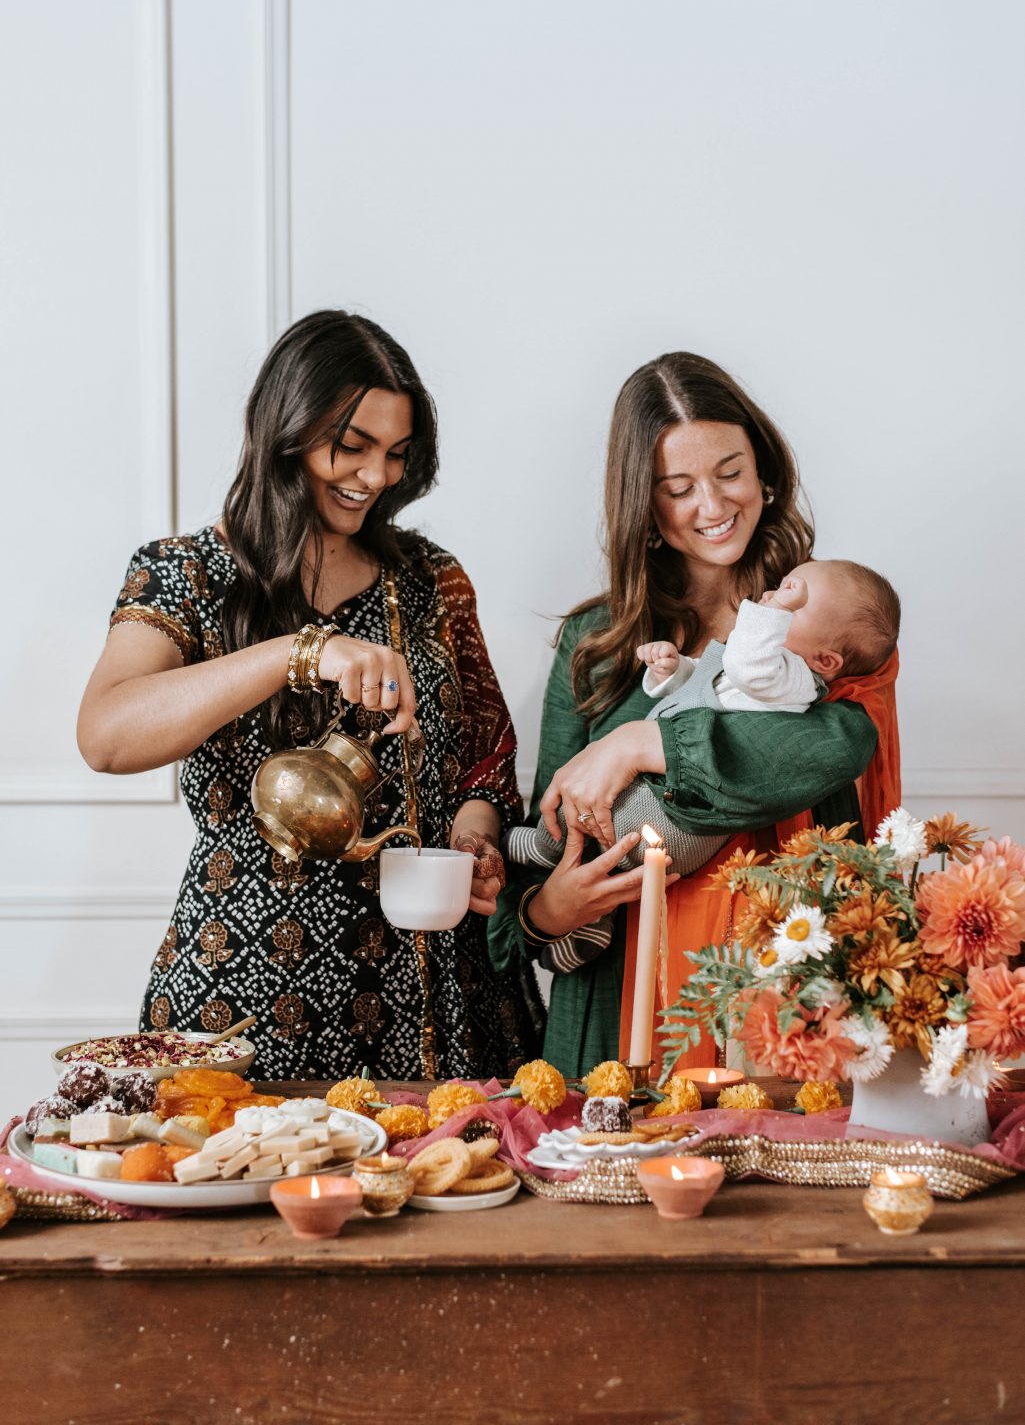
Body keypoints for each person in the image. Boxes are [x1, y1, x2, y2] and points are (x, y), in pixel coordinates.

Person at [78, 310, 544, 1081]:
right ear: (284, 429)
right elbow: (106, 735)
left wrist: (475, 837)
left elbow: (483, 759)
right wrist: (301, 653)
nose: (374, 477)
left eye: (395, 454)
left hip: (436, 986)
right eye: (351, 446)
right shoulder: (186, 573)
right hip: (252, 981)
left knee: (455, 1187)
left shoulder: (431, 579)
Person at [487, 352, 900, 1075]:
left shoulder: (829, 615)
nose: (711, 507)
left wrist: (646, 743)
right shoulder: (597, 645)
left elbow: (832, 746)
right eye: (677, 488)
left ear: (766, 474)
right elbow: (540, 844)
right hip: (618, 1014)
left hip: (785, 1009)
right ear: (643, 504)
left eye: (730, 473)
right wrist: (550, 910)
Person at [505, 559, 901, 977]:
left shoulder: (793, 677)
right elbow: (713, 681)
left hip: (685, 841)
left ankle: (554, 851)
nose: (776, 597)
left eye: (794, 602)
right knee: (603, 842)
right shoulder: (599, 629)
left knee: (615, 840)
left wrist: (634, 743)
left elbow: (750, 671)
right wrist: (674, 672)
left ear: (825, 660)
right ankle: (576, 892)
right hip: (620, 954)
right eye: (679, 489)